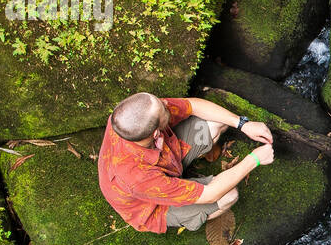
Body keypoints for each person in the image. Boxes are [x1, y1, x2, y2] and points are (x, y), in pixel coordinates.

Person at [98, 92, 275, 235]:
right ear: (155, 134)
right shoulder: (135, 177)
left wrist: (243, 124)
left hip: (166, 157)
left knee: (217, 123)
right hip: (154, 204)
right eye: (164, 110)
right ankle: (192, 215)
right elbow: (210, 194)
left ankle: (184, 177)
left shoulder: (132, 116)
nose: (167, 104)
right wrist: (255, 159)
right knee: (229, 195)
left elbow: (193, 105)